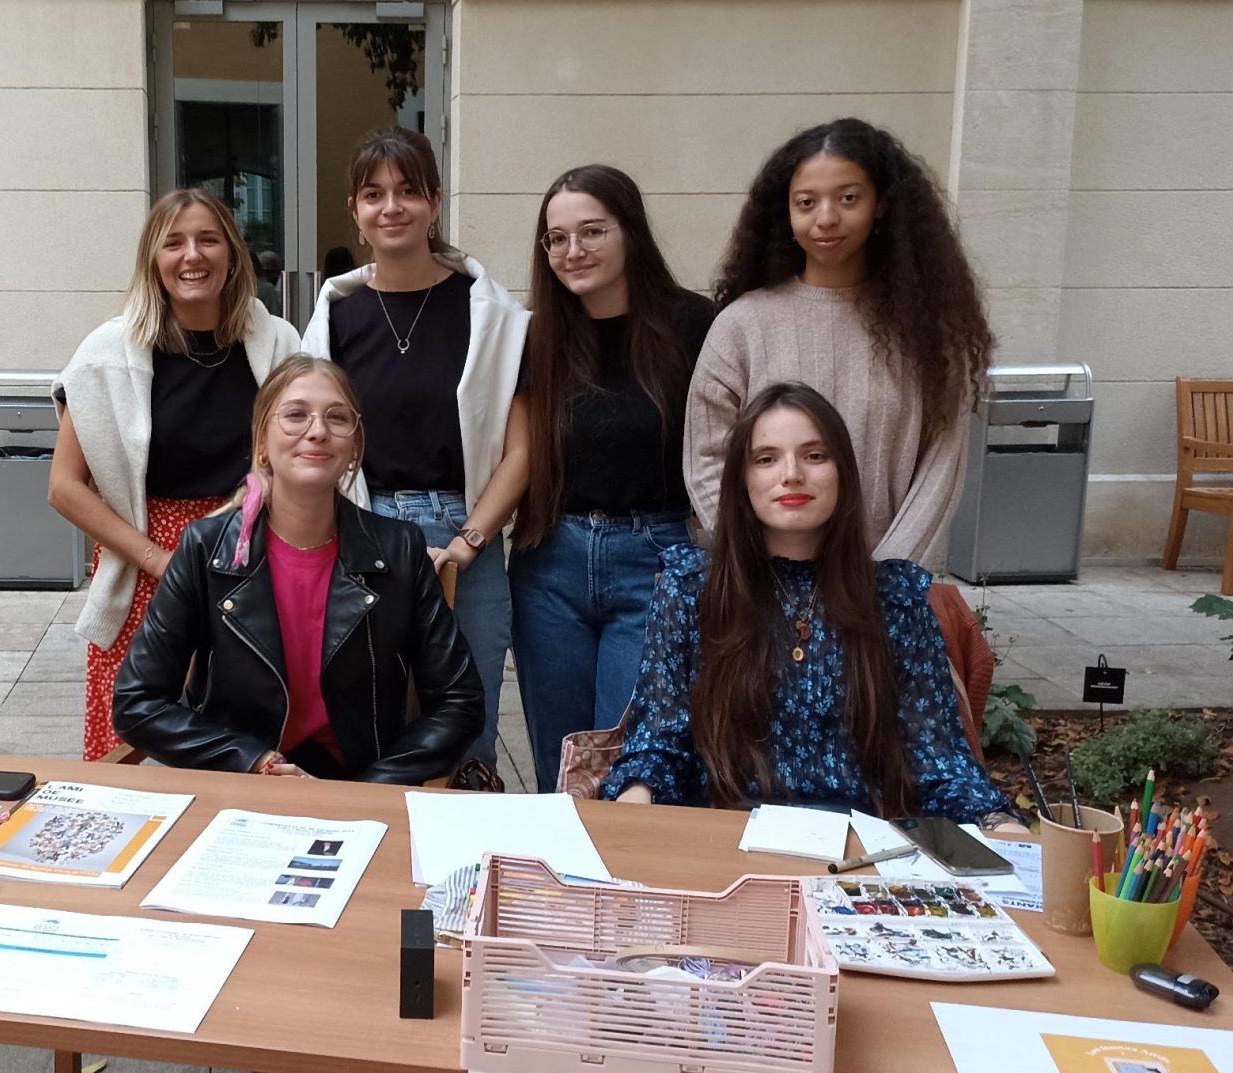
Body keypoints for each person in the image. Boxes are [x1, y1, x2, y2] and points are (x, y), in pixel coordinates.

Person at [603, 381, 1013, 1073]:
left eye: (813, 454)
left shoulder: (897, 595)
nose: (791, 474)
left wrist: (1002, 831)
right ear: (740, 480)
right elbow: (661, 740)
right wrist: (627, 813)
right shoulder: (694, 583)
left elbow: (941, 764)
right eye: (766, 457)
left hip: (866, 875)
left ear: (844, 472)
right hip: (733, 876)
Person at [113, 355, 481, 1073]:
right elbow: (139, 700)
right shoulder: (208, 550)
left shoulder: (397, 550)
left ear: (357, 446)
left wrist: (376, 784)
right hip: (259, 802)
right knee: (298, 953)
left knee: (402, 921)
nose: (316, 432)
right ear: (262, 439)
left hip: (369, 794)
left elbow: (458, 702)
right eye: (296, 416)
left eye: (338, 419)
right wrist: (250, 764)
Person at [300, 127, 529, 774]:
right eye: (374, 194)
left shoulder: (491, 316)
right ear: (355, 210)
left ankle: (470, 865)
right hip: (366, 535)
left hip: (469, 534)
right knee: (370, 719)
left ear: (434, 201)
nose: (391, 207)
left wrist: (467, 542)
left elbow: (522, 450)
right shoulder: (336, 320)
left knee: (468, 722)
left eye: (407, 191)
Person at [50, 189, 300, 759]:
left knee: (250, 739)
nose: (193, 255)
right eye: (175, 243)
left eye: (209, 239)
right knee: (135, 744)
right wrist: (160, 560)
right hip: (145, 561)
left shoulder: (276, 342)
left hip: (252, 555)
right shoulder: (107, 353)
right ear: (153, 261)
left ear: (233, 255)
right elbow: (64, 487)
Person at [685, 117, 994, 566]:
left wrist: (887, 578)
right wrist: (764, 565)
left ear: (881, 205)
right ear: (785, 213)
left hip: (885, 592)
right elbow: (706, 456)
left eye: (848, 198)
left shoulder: (929, 333)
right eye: (806, 202)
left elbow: (940, 467)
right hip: (764, 588)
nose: (826, 218)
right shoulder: (742, 325)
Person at [509, 164, 713, 792]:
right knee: (561, 762)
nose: (573, 252)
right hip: (552, 562)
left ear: (631, 231)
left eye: (592, 231)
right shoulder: (539, 335)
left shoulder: (694, 326)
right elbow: (520, 451)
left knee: (633, 762)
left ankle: (625, 887)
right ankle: (558, 885)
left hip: (655, 560)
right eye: (557, 238)